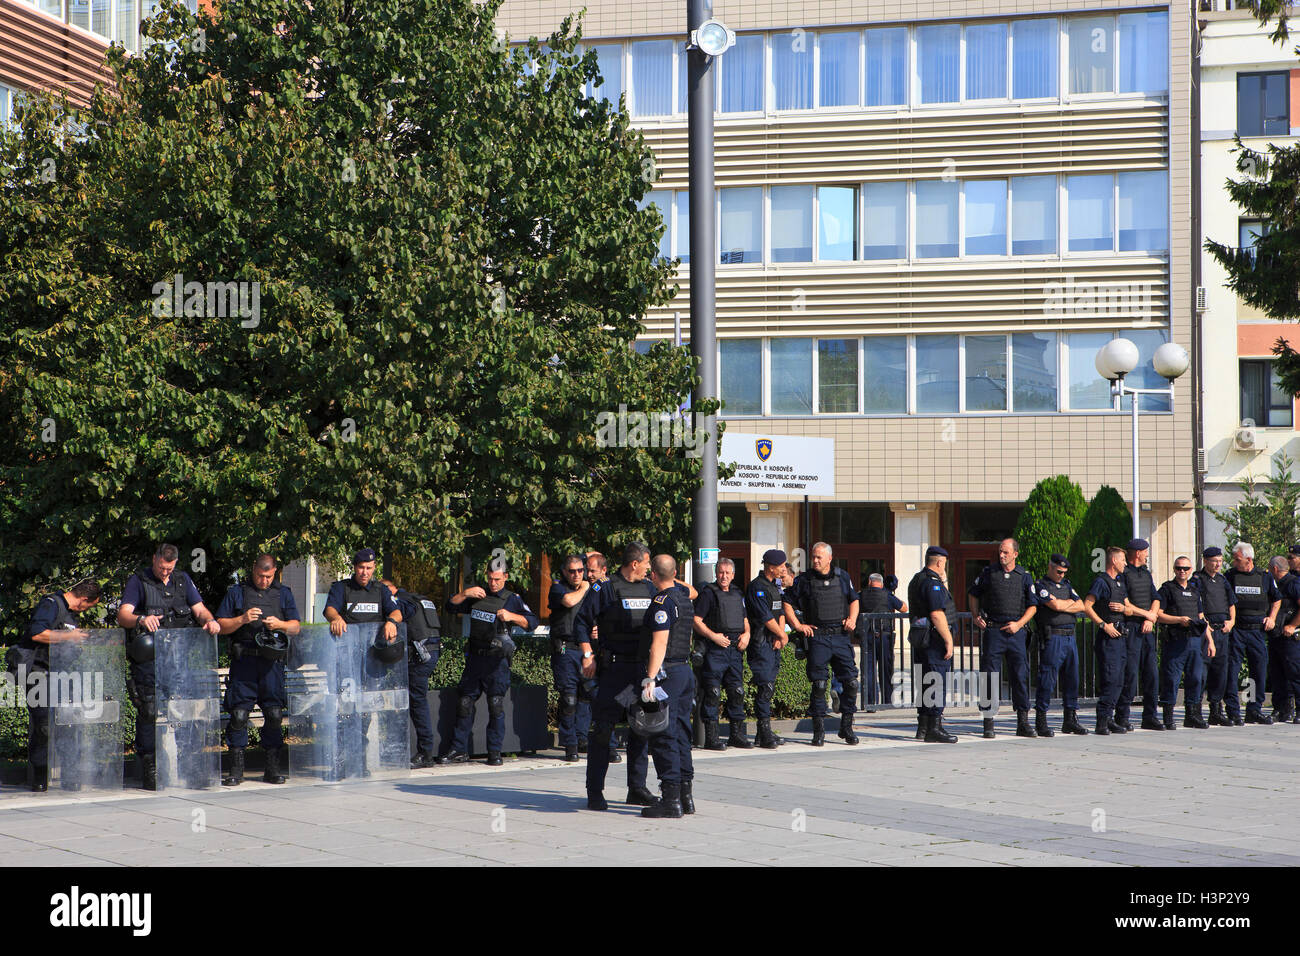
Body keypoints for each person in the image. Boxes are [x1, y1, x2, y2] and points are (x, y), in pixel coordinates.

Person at [116, 544, 221, 789]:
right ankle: (150, 766)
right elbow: (123, 616)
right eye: (162, 567)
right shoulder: (138, 581)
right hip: (149, 661)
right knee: (150, 711)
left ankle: (190, 765)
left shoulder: (183, 580)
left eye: (169, 569)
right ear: (154, 559)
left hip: (178, 659)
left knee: (184, 710)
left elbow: (200, 610)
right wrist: (141, 619)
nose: (165, 573)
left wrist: (210, 621)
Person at [576, 542, 661, 810]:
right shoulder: (606, 587)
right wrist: (587, 654)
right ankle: (595, 791)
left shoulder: (649, 588)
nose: (649, 568)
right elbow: (580, 622)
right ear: (634, 563)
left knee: (641, 730)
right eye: (647, 563)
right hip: (614, 671)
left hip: (639, 672)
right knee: (603, 731)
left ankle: (636, 788)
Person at [215, 554, 301, 786]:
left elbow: (295, 626)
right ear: (253, 570)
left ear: (275, 572)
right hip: (245, 662)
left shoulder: (283, 593)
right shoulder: (237, 592)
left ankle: (272, 768)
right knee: (239, 715)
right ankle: (235, 770)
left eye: (269, 576)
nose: (264, 581)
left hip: (271, 663)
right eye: (260, 576)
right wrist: (242, 619)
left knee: (273, 714)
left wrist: (280, 625)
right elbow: (220, 625)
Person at [443, 562, 538, 766]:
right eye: (490, 579)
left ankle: (494, 751)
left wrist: (511, 616)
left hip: (497, 662)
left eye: (497, 579)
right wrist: (465, 593)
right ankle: (458, 749)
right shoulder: (478, 594)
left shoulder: (512, 599)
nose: (493, 583)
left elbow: (533, 622)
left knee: (495, 705)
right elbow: (450, 606)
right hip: (475, 659)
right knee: (465, 703)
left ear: (506, 576)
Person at [13, 580, 102, 791]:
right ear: (83, 600)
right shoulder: (51, 604)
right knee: (44, 725)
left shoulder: (71, 614)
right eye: (90, 606)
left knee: (69, 723)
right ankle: (40, 775)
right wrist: (69, 636)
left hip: (61, 673)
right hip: (38, 672)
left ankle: (69, 774)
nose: (88, 610)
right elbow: (37, 633)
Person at [638, 554, 698, 819]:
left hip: (668, 674)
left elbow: (659, 643)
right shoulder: (684, 597)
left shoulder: (662, 602)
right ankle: (686, 796)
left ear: (653, 575)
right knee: (682, 733)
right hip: (684, 671)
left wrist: (650, 678)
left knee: (664, 734)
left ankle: (671, 799)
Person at [783, 542, 860, 746]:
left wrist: (852, 619)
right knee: (819, 686)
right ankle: (819, 732)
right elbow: (787, 602)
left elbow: (854, 600)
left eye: (819, 557)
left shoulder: (843, 577)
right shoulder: (804, 580)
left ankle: (847, 727)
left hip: (840, 636)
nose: (815, 560)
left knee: (851, 683)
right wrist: (798, 626)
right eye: (813, 557)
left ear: (829, 558)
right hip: (818, 637)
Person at [968, 538, 1038, 739]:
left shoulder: (1024, 576)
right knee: (989, 677)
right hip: (994, 632)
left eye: (1006, 552)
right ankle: (988, 722)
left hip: (1016, 633)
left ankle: (1023, 722)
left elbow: (1033, 606)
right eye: (1000, 551)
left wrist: (1019, 624)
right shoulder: (989, 573)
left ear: (1015, 554)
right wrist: (975, 616)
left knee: (1020, 676)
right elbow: (973, 594)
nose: (1001, 555)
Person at [383, 579, 443, 768]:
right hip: (431, 653)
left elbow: (397, 617)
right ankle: (422, 750)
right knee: (415, 701)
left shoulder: (400, 601)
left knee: (417, 703)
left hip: (419, 657)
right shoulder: (419, 598)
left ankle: (425, 753)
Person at [693, 558, 752, 750]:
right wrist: (713, 636)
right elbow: (696, 620)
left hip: (735, 650)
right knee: (713, 693)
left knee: (737, 692)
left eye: (727, 573)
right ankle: (711, 739)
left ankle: (737, 736)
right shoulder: (708, 594)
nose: (724, 576)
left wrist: (747, 635)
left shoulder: (737, 593)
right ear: (716, 573)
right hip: (716, 650)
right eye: (720, 572)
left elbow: (744, 619)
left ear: (733, 575)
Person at [1032, 555, 1088, 736]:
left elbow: (1081, 605)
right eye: (1058, 571)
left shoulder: (1067, 586)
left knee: (1072, 679)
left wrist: (1063, 605)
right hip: (1053, 637)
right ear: (1050, 567)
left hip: (1070, 637)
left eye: (1064, 572)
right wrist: (1065, 605)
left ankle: (1070, 719)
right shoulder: (1041, 585)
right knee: (1047, 679)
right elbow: (1053, 605)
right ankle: (1041, 720)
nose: (1061, 575)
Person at [907, 546, 958, 743]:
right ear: (939, 563)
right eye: (944, 563)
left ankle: (923, 727)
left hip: (922, 640)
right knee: (936, 681)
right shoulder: (932, 584)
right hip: (934, 641)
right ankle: (934, 728)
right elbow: (937, 614)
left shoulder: (917, 579)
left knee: (925, 682)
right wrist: (949, 640)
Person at [1155, 557, 1213, 729]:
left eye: (1185, 568)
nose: (1182, 571)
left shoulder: (1195, 591)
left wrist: (1210, 641)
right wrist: (1178, 620)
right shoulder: (1167, 589)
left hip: (1195, 641)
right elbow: (1158, 614)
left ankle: (1192, 715)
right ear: (1174, 569)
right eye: (1179, 568)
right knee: (1171, 679)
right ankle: (1168, 717)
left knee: (1195, 678)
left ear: (1190, 570)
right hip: (1176, 641)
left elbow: (1202, 618)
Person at [1225, 542, 1279, 725]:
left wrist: (1271, 618)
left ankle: (1253, 710)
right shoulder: (1230, 576)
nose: (1234, 562)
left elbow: (1276, 599)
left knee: (1257, 671)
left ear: (1248, 559)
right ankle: (1233, 710)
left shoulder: (1264, 577)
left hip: (1257, 631)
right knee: (1232, 671)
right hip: (1237, 630)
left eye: (1237, 559)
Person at [548, 554, 594, 762]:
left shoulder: (593, 591)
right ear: (565, 572)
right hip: (566, 649)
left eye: (580, 571)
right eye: (572, 571)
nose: (577, 575)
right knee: (569, 698)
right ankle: (570, 743)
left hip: (586, 649)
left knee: (586, 695)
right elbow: (568, 601)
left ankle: (582, 738)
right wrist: (585, 588)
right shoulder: (558, 588)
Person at [745, 549, 790, 749]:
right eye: (781, 566)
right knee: (765, 688)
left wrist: (780, 635)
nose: (784, 569)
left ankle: (764, 732)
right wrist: (781, 634)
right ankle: (763, 734)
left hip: (773, 642)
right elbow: (764, 616)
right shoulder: (756, 587)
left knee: (769, 687)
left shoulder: (775, 586)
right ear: (771, 567)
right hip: (761, 642)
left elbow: (779, 611)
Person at [1083, 546, 1129, 735]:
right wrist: (1103, 625)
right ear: (1114, 561)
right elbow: (1087, 606)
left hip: (1120, 638)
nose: (1126, 563)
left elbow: (1128, 607)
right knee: (1110, 679)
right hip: (1108, 638)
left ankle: (1109, 718)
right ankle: (1101, 721)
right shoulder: (1101, 582)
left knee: (1119, 680)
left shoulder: (1119, 583)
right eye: (1123, 560)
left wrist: (1124, 609)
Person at [1118, 539, 1162, 732]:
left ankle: (1150, 716)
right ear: (1137, 553)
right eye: (1145, 552)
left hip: (1147, 629)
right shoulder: (1124, 574)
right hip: (1132, 628)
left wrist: (1151, 619)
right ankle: (1122, 717)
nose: (1147, 555)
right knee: (1130, 674)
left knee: (1151, 674)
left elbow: (1156, 598)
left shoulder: (1145, 573)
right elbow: (1125, 604)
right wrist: (1146, 616)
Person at [1192, 547, 1236, 725]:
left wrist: (1232, 621)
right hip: (1206, 631)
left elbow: (1231, 602)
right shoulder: (1197, 579)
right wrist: (1206, 627)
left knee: (1220, 671)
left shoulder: (1222, 579)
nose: (1218, 564)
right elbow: (1196, 605)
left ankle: (1216, 710)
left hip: (1222, 631)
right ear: (1205, 560)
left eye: (1220, 561)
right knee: (1201, 673)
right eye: (1214, 561)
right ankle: (1195, 711)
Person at [858, 573, 906, 710]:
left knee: (868, 670)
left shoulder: (861, 595)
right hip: (885, 636)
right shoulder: (887, 595)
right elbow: (904, 608)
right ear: (881, 583)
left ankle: (870, 703)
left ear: (869, 582)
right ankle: (887, 702)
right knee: (886, 670)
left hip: (867, 636)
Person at [1266, 554, 1300, 723]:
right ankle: (1281, 709)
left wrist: (1293, 625)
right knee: (1277, 674)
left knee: (1295, 673)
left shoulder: (1293, 583)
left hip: (1290, 637)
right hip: (1276, 635)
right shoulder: (1274, 584)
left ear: (1275, 569)